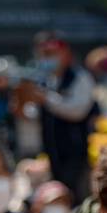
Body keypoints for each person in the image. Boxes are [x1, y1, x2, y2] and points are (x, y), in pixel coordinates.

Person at [28, 31, 97, 201]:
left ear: (66, 54)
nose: (47, 58)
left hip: (75, 155)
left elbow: (77, 111)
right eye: (43, 54)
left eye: (51, 53)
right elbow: (32, 114)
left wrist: (45, 99)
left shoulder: (80, 78)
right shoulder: (43, 80)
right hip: (50, 154)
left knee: (74, 198)